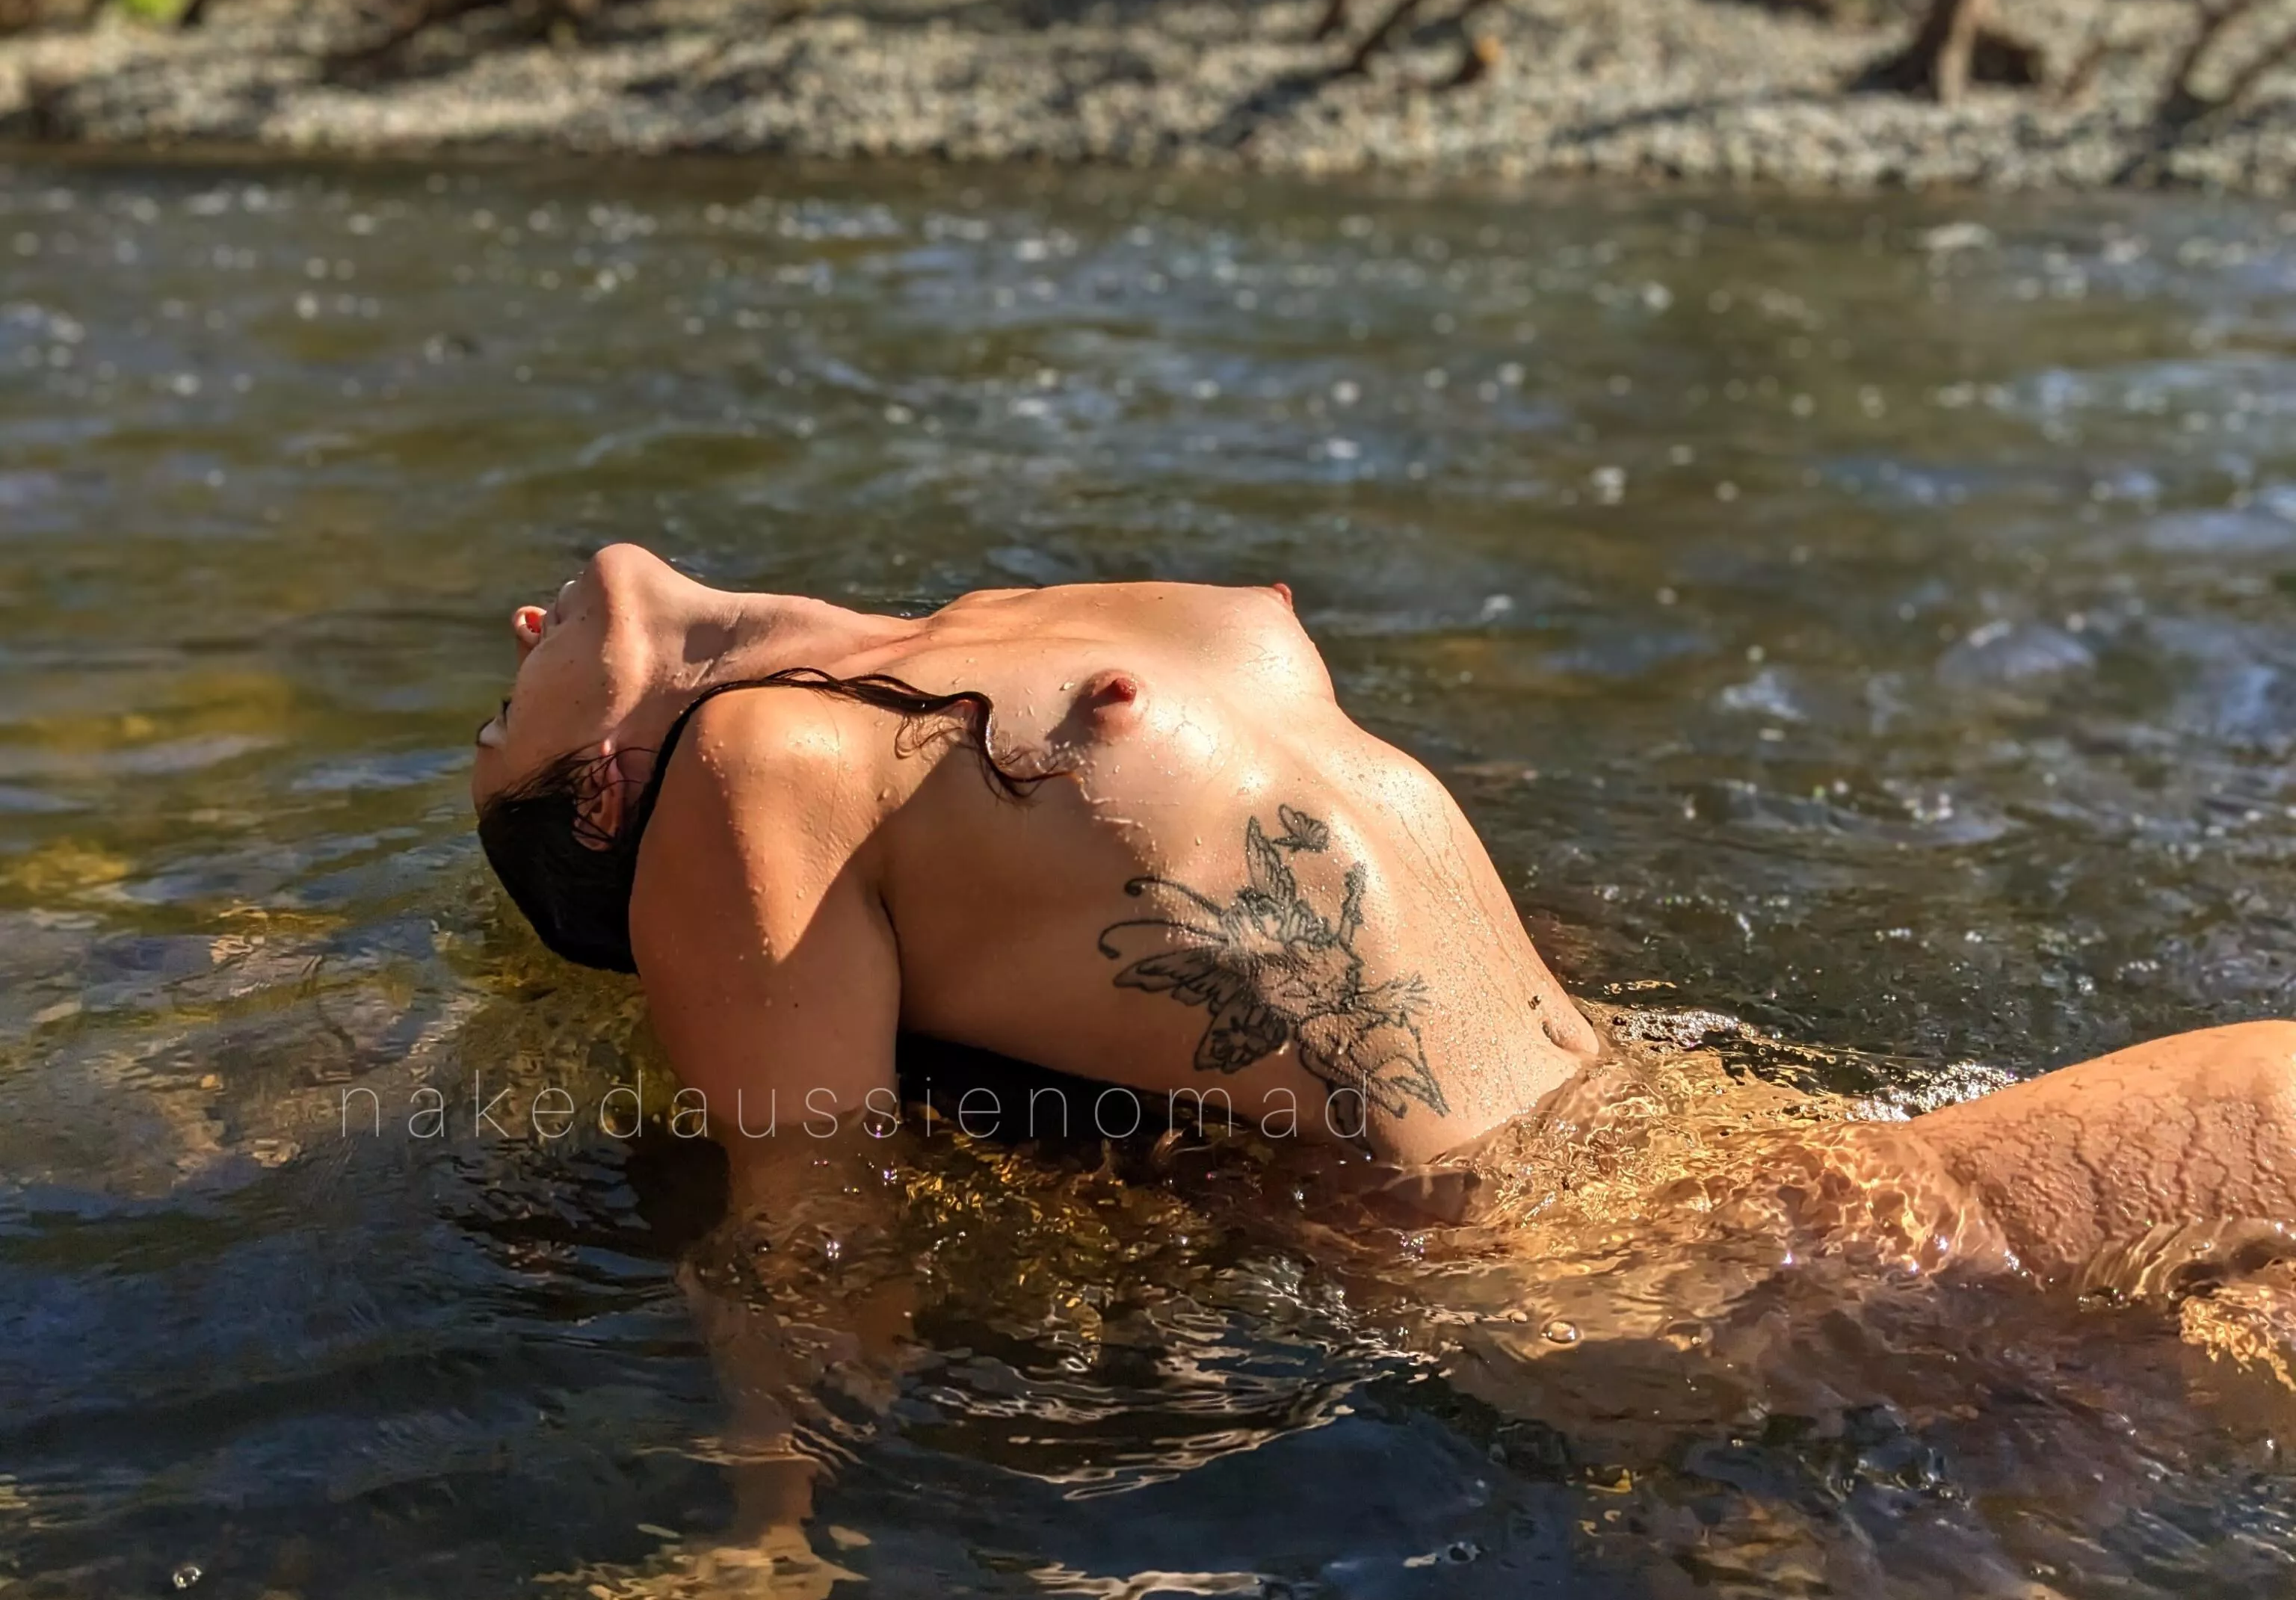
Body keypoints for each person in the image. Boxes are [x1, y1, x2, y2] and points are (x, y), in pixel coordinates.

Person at [472, 542, 2296, 1300]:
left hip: (1726, 1154)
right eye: (501, 734)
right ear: (606, 797)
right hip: (1653, 1277)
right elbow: (813, 1221)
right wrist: (769, 1544)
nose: (523, 645)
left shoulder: (969, 625)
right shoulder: (748, 776)